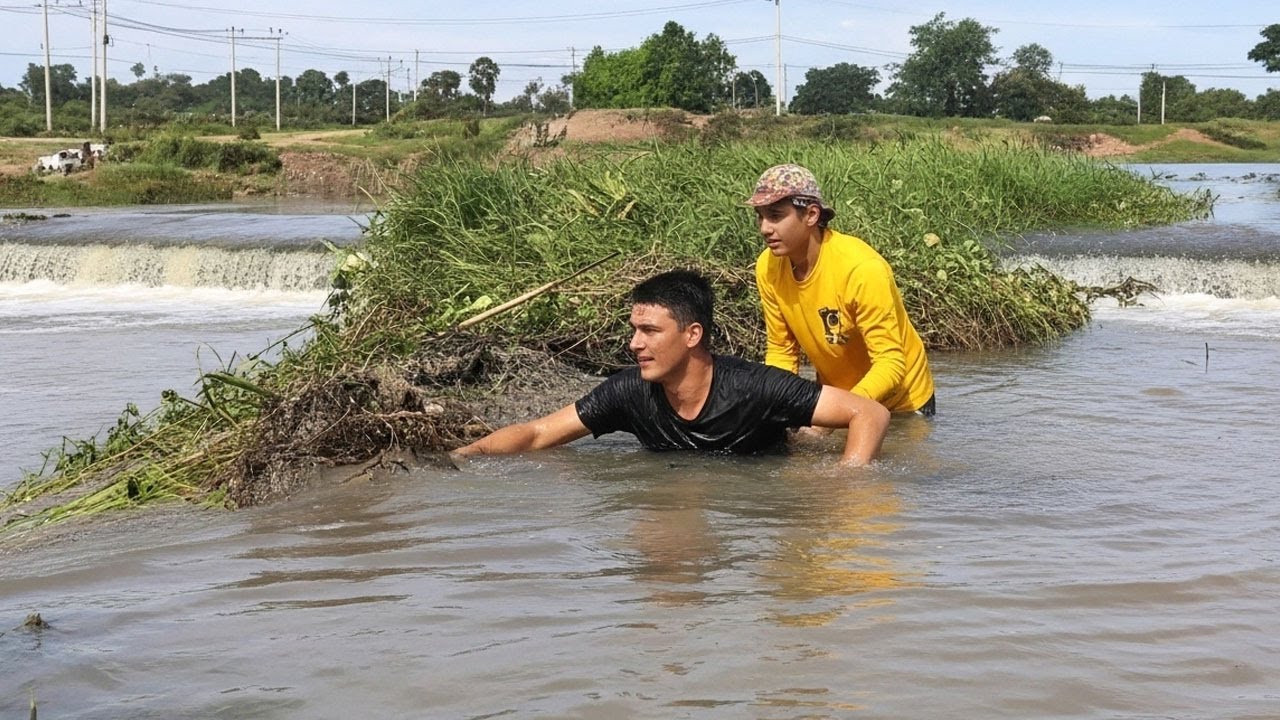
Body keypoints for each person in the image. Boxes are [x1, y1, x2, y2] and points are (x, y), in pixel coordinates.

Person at [453, 270, 890, 465]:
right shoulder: (629, 391)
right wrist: (462, 459)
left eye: (649, 331)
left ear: (692, 335)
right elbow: (537, 435)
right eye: (634, 329)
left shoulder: (756, 387)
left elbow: (868, 413)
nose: (634, 343)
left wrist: (845, 485)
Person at [747, 163, 936, 416]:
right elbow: (782, 350)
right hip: (839, 396)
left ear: (811, 215)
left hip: (904, 404)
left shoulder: (861, 269)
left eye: (776, 216)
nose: (764, 228)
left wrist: (842, 410)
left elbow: (890, 362)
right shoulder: (768, 267)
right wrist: (779, 410)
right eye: (760, 216)